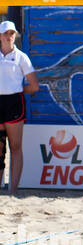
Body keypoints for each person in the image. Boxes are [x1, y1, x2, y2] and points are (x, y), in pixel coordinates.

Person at [0, 20, 39, 193]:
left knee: (15, 147)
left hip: (14, 103)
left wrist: (17, 91)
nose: (9, 36)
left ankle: (13, 190)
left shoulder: (21, 57)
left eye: (12, 33)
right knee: (0, 148)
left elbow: (34, 85)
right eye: (6, 33)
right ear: (0, 36)